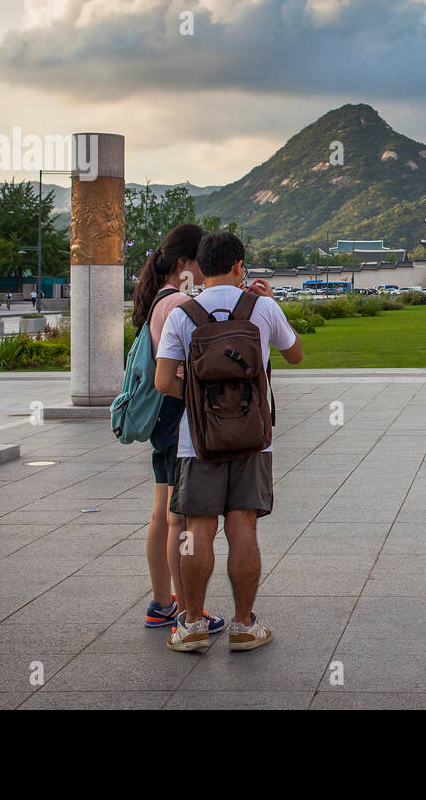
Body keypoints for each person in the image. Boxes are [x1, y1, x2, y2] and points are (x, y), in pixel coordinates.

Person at [155, 232, 303, 653]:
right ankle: (242, 625)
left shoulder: (183, 314)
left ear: (200, 269)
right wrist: (271, 301)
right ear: (240, 265)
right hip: (254, 439)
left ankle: (193, 624)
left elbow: (163, 380)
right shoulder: (263, 307)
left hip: (196, 442)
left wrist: (203, 405)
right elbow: (295, 355)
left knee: (196, 531)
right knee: (243, 528)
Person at [131, 223, 223, 633]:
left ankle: (162, 602)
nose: (204, 269)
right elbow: (196, 364)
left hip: (161, 419)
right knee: (179, 520)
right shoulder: (180, 303)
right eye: (200, 260)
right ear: (185, 262)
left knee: (161, 515)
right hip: (177, 417)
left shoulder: (159, 299)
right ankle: (189, 610)